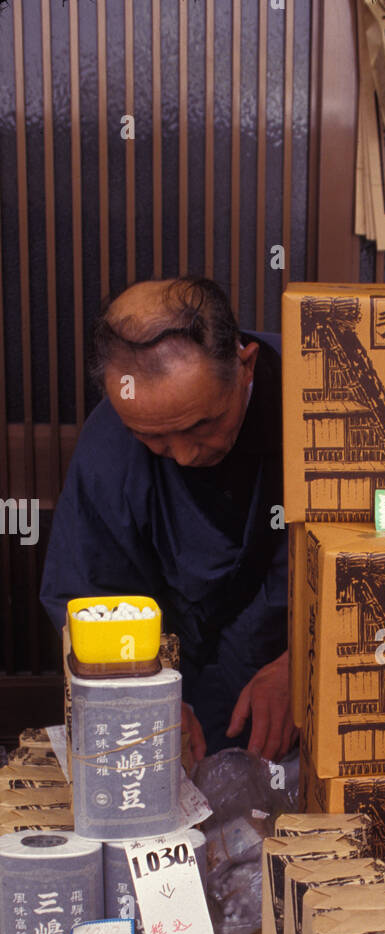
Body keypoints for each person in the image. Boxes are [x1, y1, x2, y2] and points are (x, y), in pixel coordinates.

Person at [40, 276, 296, 763]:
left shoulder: (329, 400)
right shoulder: (108, 445)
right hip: (184, 685)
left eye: (202, 425)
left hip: (317, 683)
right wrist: (145, 690)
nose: (182, 455)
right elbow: (87, 595)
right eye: (153, 438)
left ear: (244, 366)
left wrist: (307, 667)